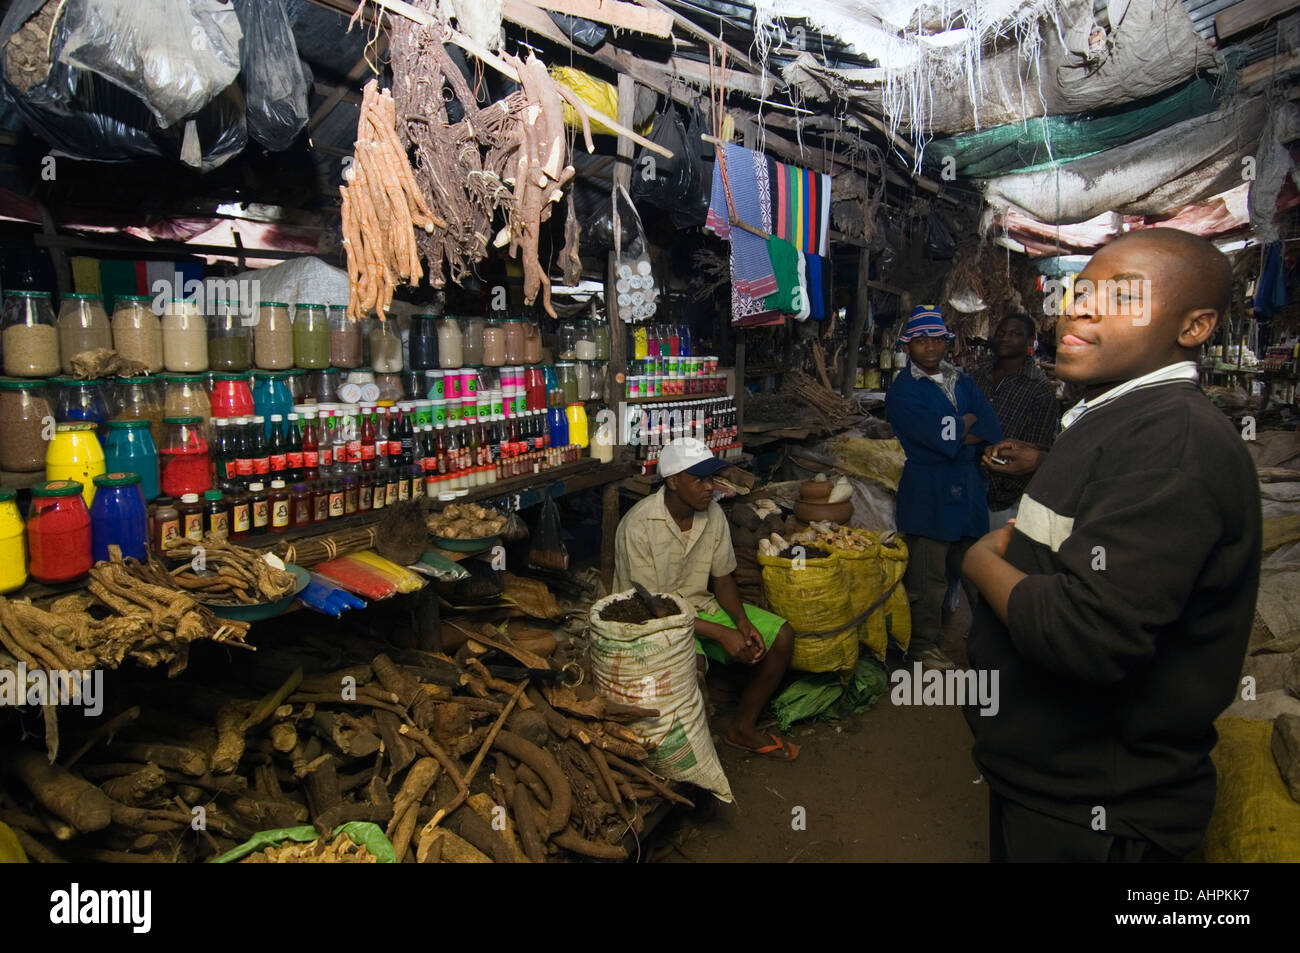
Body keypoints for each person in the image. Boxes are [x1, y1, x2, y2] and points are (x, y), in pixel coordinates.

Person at [962, 227, 1262, 862]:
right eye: (1080, 290)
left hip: (1097, 815)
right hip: (1049, 787)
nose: (1080, 306)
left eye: (1122, 297)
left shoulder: (1176, 441)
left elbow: (1084, 634)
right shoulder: (1116, 418)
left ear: (1194, 327)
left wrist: (980, 559)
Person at [613, 438, 799, 760]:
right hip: (650, 621)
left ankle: (742, 727)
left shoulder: (712, 515)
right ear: (673, 482)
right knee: (693, 665)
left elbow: (723, 580)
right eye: (699, 479)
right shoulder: (639, 525)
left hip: (699, 608)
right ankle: (689, 755)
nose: (709, 487)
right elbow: (655, 607)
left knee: (781, 637)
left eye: (711, 478)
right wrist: (722, 634)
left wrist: (741, 623)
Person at [886, 305, 1003, 671]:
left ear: (946, 343)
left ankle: (990, 644)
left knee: (977, 569)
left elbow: (991, 427)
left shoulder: (961, 380)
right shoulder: (903, 392)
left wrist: (958, 425)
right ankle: (922, 646)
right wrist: (964, 424)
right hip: (928, 489)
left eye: (937, 339)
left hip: (967, 488)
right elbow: (946, 439)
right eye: (921, 340)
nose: (931, 347)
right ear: (908, 347)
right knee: (928, 575)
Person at [970, 312, 1059, 527]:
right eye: (1001, 332)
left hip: (1002, 494)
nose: (1005, 338)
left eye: (1015, 334)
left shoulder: (1039, 389)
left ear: (1029, 341)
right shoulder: (977, 374)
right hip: (965, 481)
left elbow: (1036, 447)